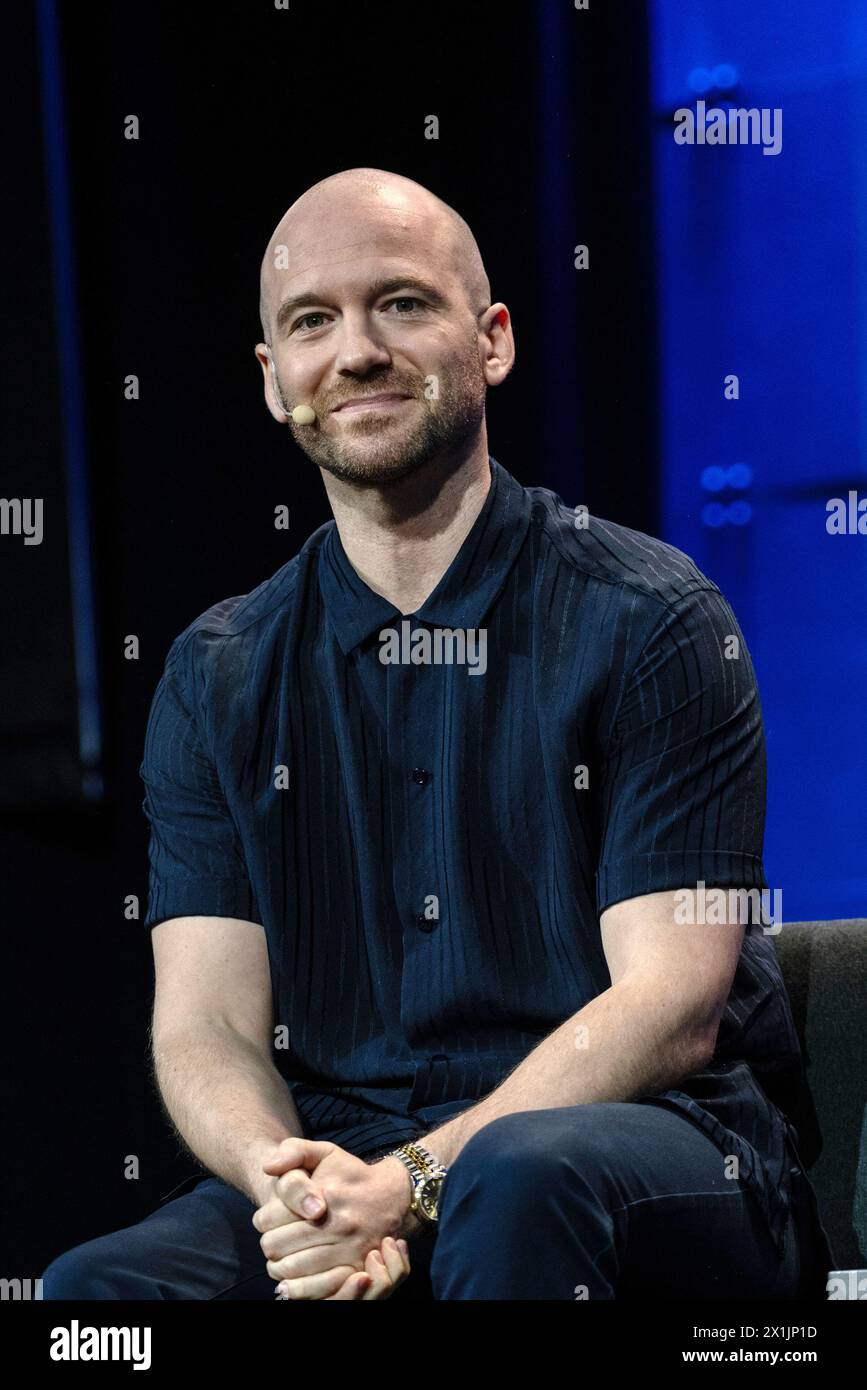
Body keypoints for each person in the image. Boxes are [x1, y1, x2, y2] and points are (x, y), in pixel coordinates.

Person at [42, 167, 834, 1301]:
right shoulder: (217, 672)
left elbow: (674, 1004)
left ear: (493, 340)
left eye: (401, 304)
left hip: (648, 1152)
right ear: (276, 384)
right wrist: (298, 1193)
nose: (356, 350)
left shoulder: (653, 620)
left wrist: (416, 1178)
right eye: (312, 322)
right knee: (93, 1297)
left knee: (514, 1180)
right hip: (350, 1163)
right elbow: (206, 1022)